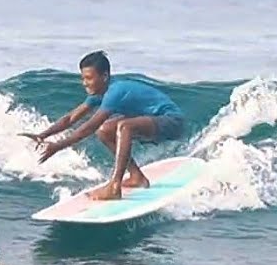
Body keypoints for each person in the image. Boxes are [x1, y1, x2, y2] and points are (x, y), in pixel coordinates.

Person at [27, 50, 185, 200]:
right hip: (150, 121)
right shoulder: (100, 93)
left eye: (89, 78)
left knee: (124, 126)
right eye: (83, 78)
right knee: (105, 130)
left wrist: (58, 146)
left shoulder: (115, 91)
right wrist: (43, 135)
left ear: (104, 76)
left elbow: (89, 127)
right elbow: (70, 118)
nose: (84, 83)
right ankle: (137, 177)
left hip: (171, 121)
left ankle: (114, 187)